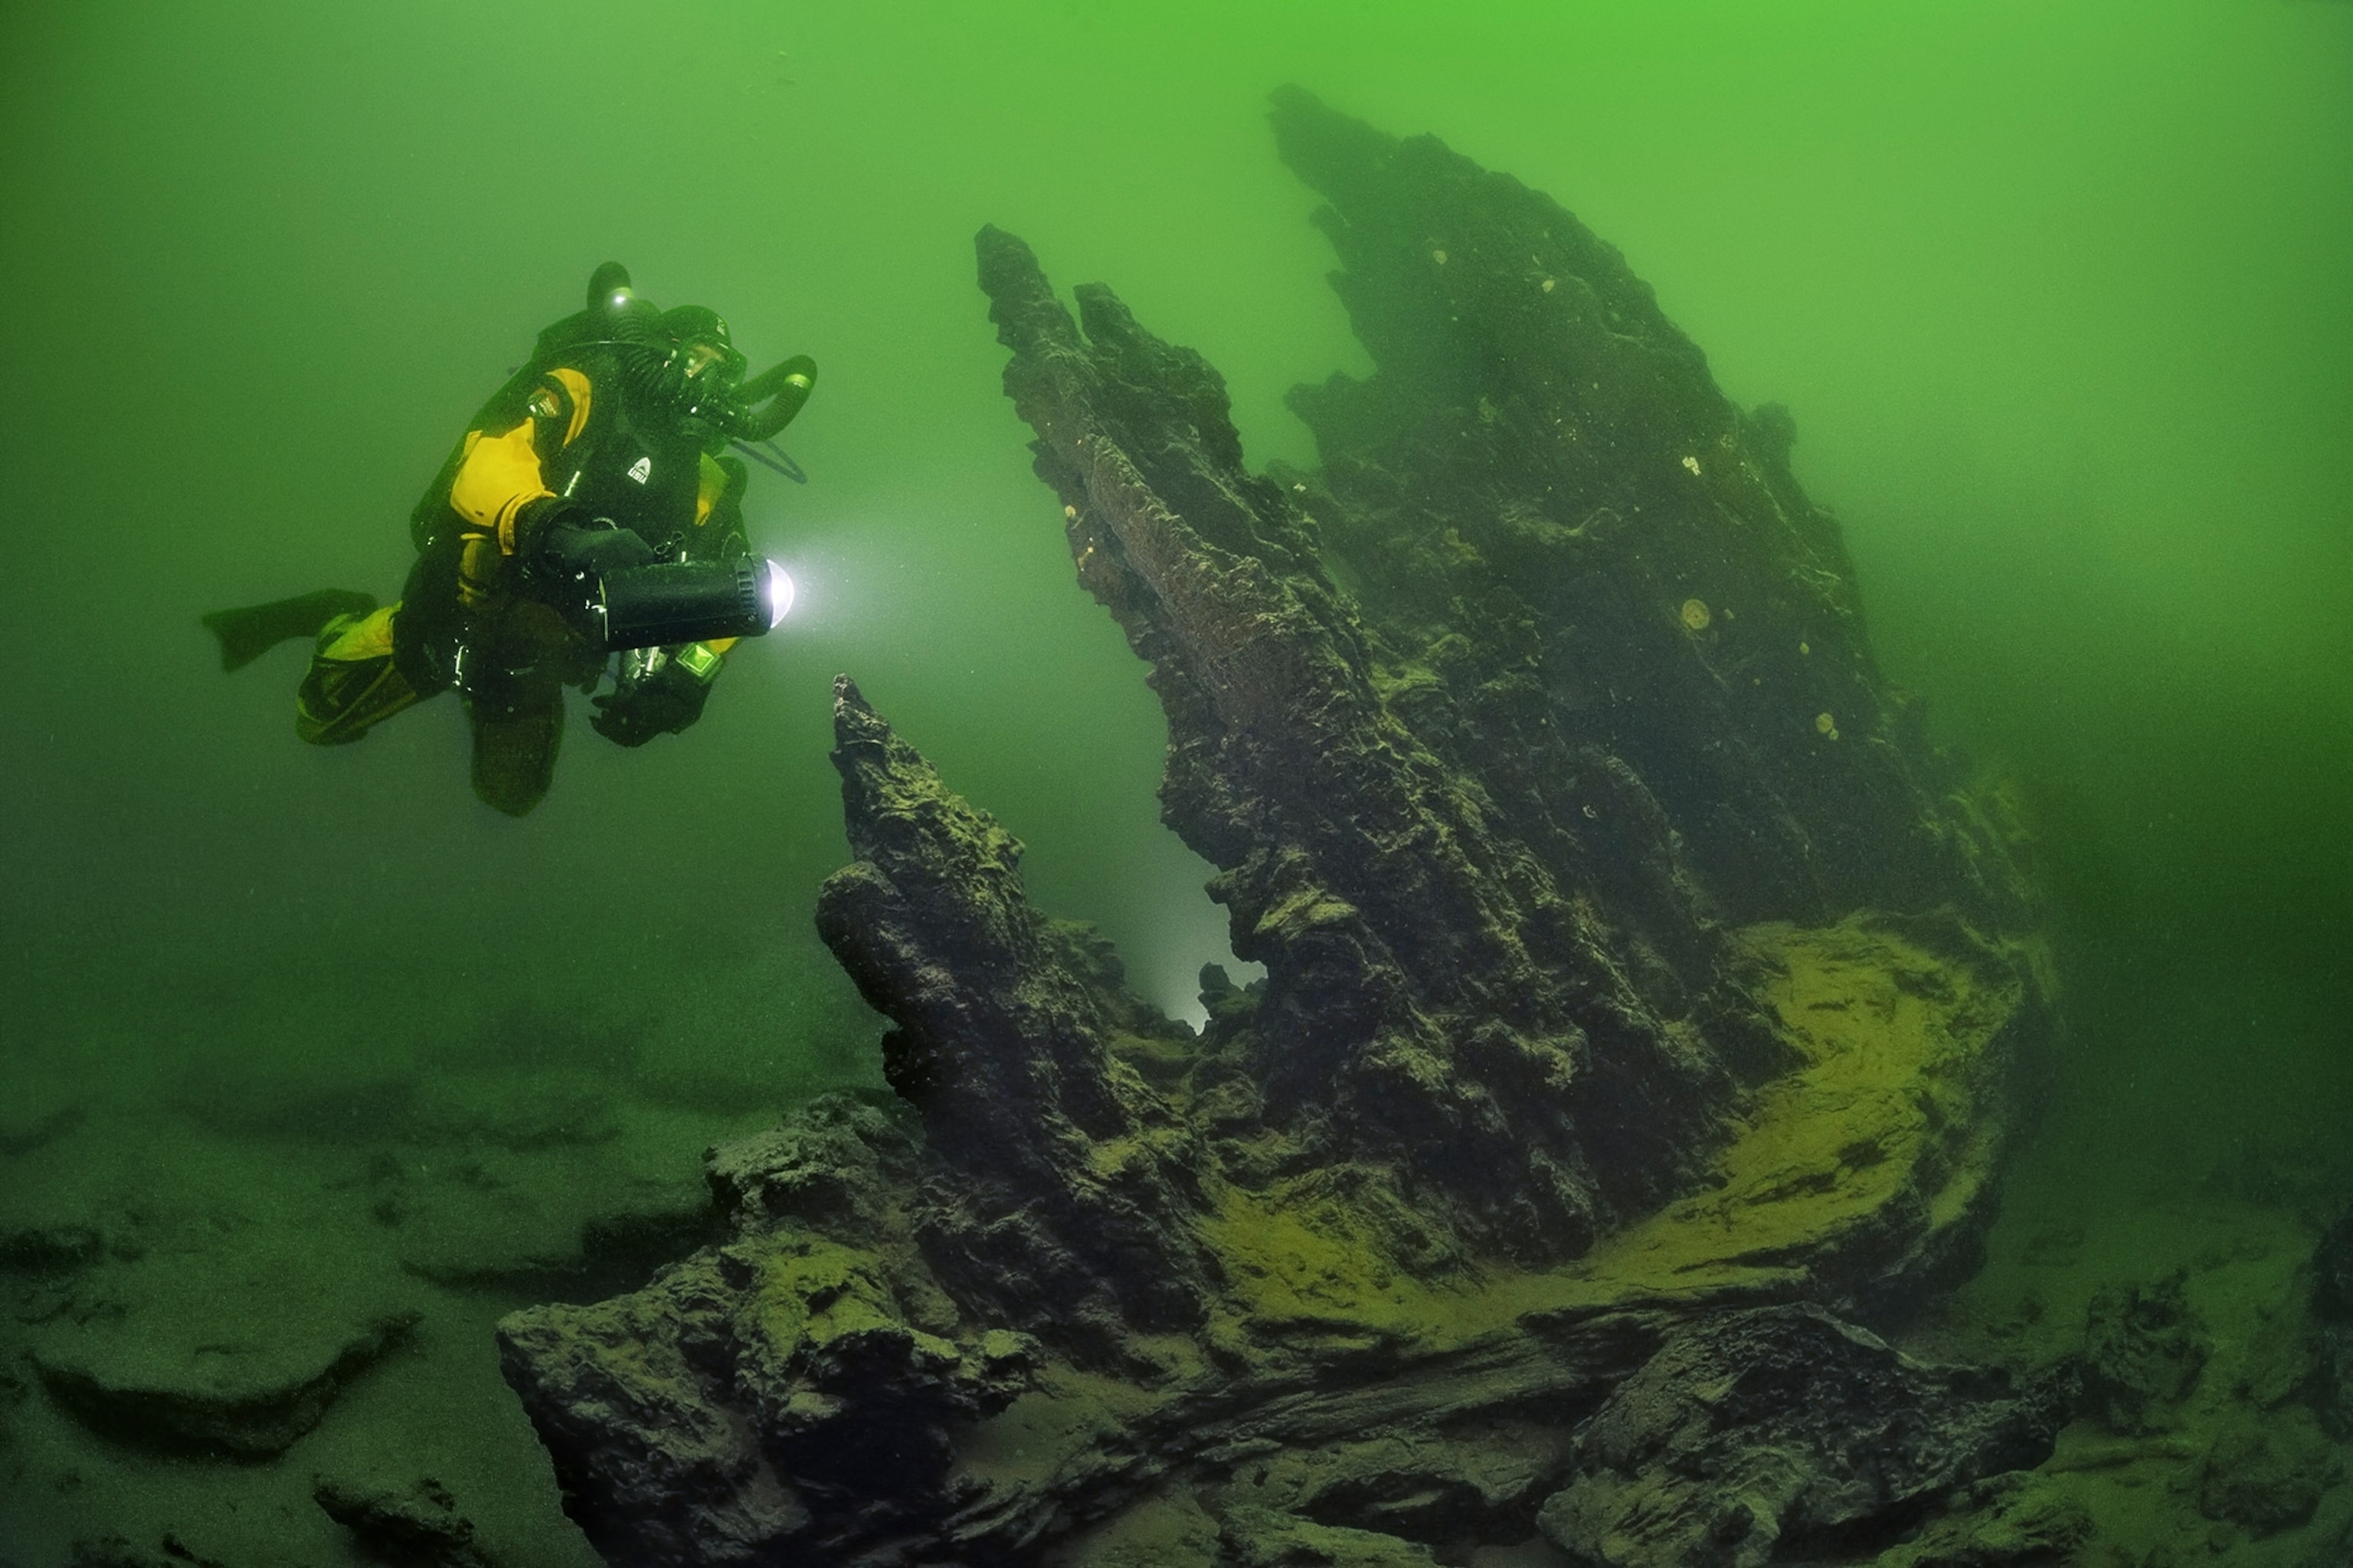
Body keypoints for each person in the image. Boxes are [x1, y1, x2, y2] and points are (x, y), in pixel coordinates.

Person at [203, 262, 817, 815]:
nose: (707, 383)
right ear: (660, 349)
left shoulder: (704, 484)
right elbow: (488, 462)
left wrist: (688, 682)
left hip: (538, 659)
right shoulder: (587, 387)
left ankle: (490, 689)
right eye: (699, 357)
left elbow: (733, 592)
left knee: (511, 797)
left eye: (723, 372)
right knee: (318, 721)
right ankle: (336, 613)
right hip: (457, 614)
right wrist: (549, 525)